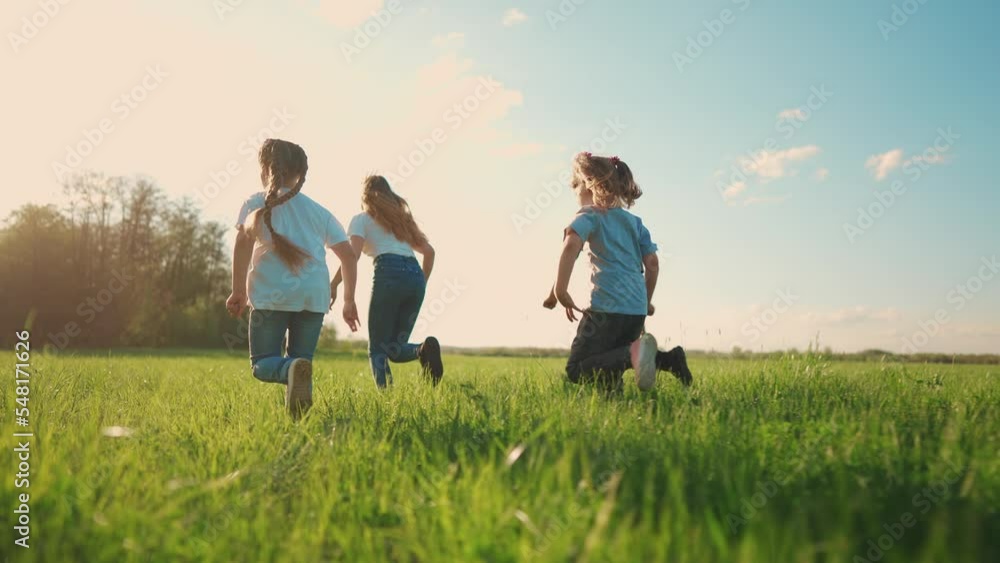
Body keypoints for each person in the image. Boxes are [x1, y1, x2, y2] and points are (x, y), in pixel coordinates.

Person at [226, 138, 360, 419]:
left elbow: (242, 243)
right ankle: (299, 420)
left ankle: (289, 370)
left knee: (262, 364)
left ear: (265, 169)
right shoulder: (318, 211)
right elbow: (349, 255)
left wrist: (238, 290)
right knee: (303, 363)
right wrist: (348, 299)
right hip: (314, 295)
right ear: (301, 174)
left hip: (271, 294)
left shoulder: (255, 202)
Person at [544, 152, 692, 393]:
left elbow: (570, 247)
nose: (575, 196)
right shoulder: (635, 223)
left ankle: (636, 354)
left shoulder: (589, 215)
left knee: (578, 368)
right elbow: (652, 263)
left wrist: (561, 290)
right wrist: (646, 301)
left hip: (605, 311)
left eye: (575, 188)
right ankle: (667, 360)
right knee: (608, 368)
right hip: (634, 312)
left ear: (589, 186)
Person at [331, 175, 443, 389]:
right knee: (395, 347)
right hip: (415, 276)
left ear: (365, 197)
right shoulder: (401, 222)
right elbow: (429, 252)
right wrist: (420, 284)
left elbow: (351, 257)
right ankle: (423, 350)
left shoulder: (361, 219)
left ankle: (388, 400)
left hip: (388, 271)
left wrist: (339, 288)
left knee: (377, 351)